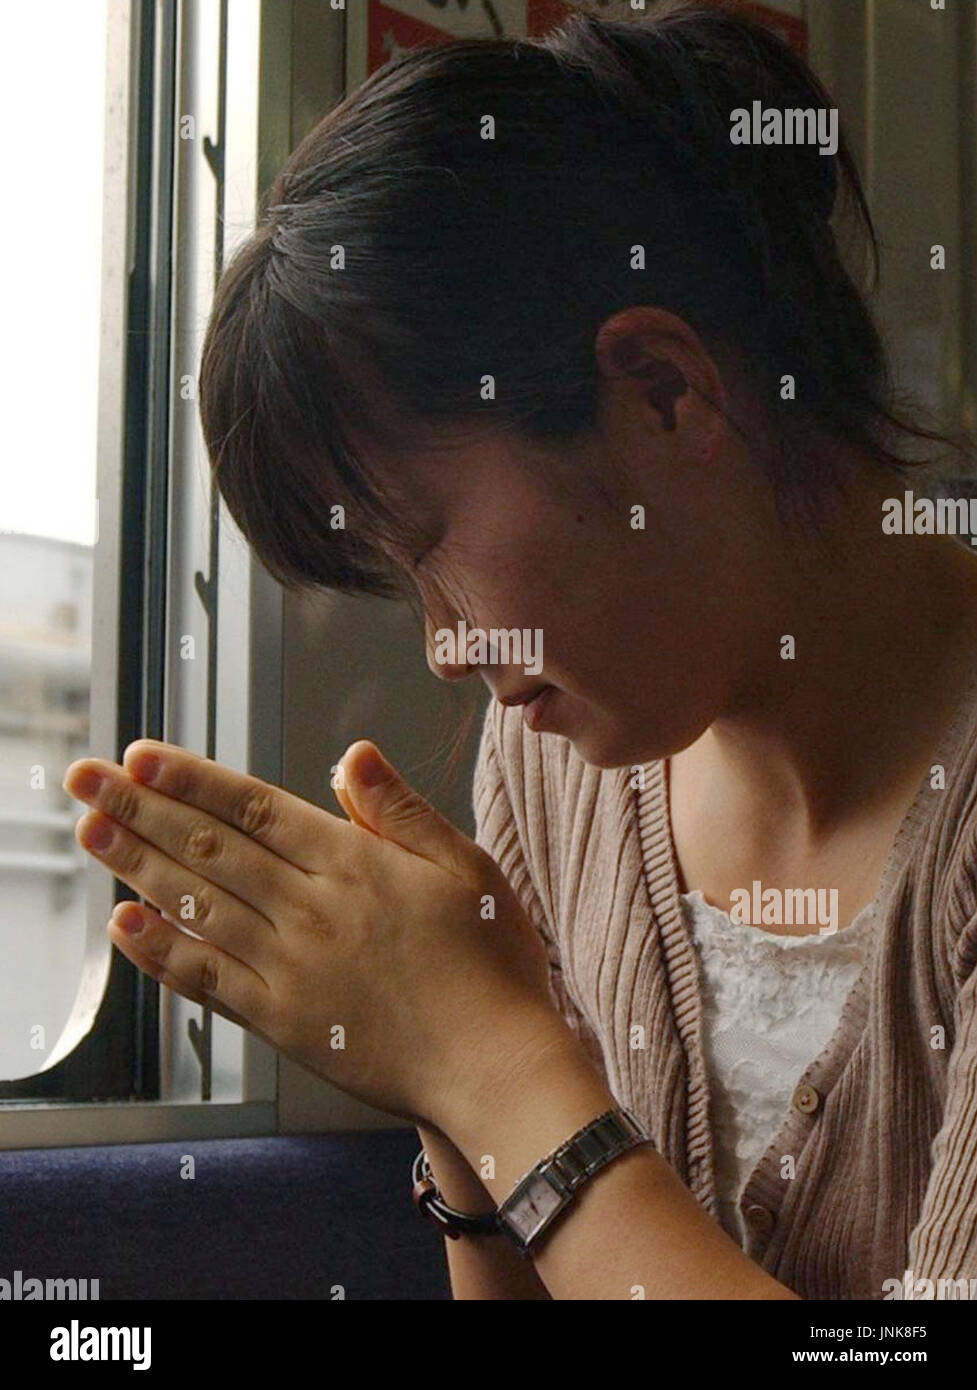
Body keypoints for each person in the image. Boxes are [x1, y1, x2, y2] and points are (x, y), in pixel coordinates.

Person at [66, 2, 977, 1299]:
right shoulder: (561, 762)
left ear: (661, 391)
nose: (444, 648)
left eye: (429, 541)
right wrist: (442, 1093)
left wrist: (486, 1056)